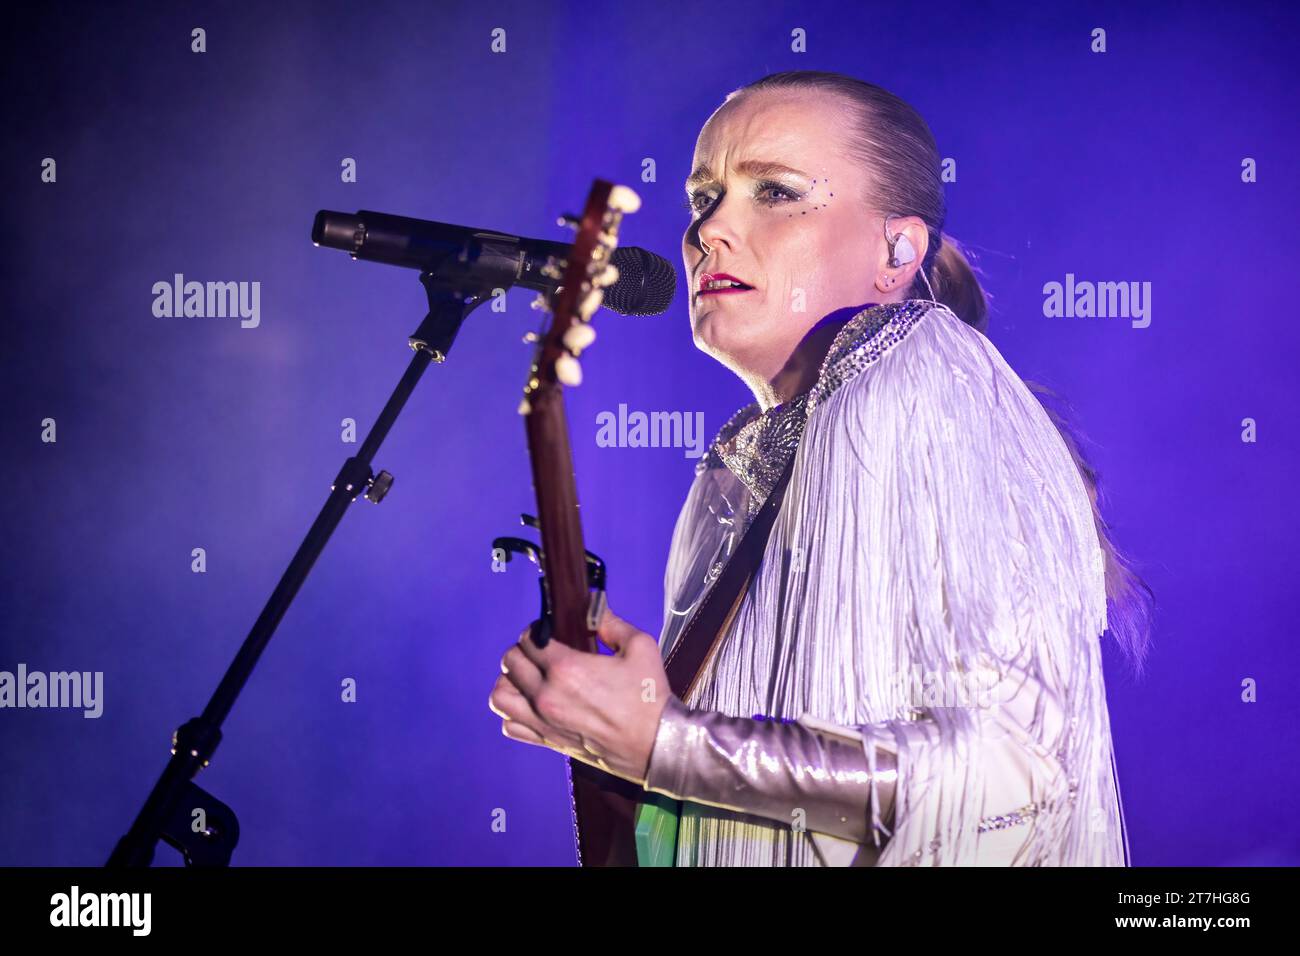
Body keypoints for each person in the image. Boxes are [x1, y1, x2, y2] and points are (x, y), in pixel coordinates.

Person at [488, 70, 1154, 866]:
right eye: (703, 199)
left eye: (775, 192)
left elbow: (1011, 777)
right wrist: (619, 739)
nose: (710, 231)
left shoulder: (924, 370)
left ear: (897, 249)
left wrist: (673, 747)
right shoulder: (734, 476)